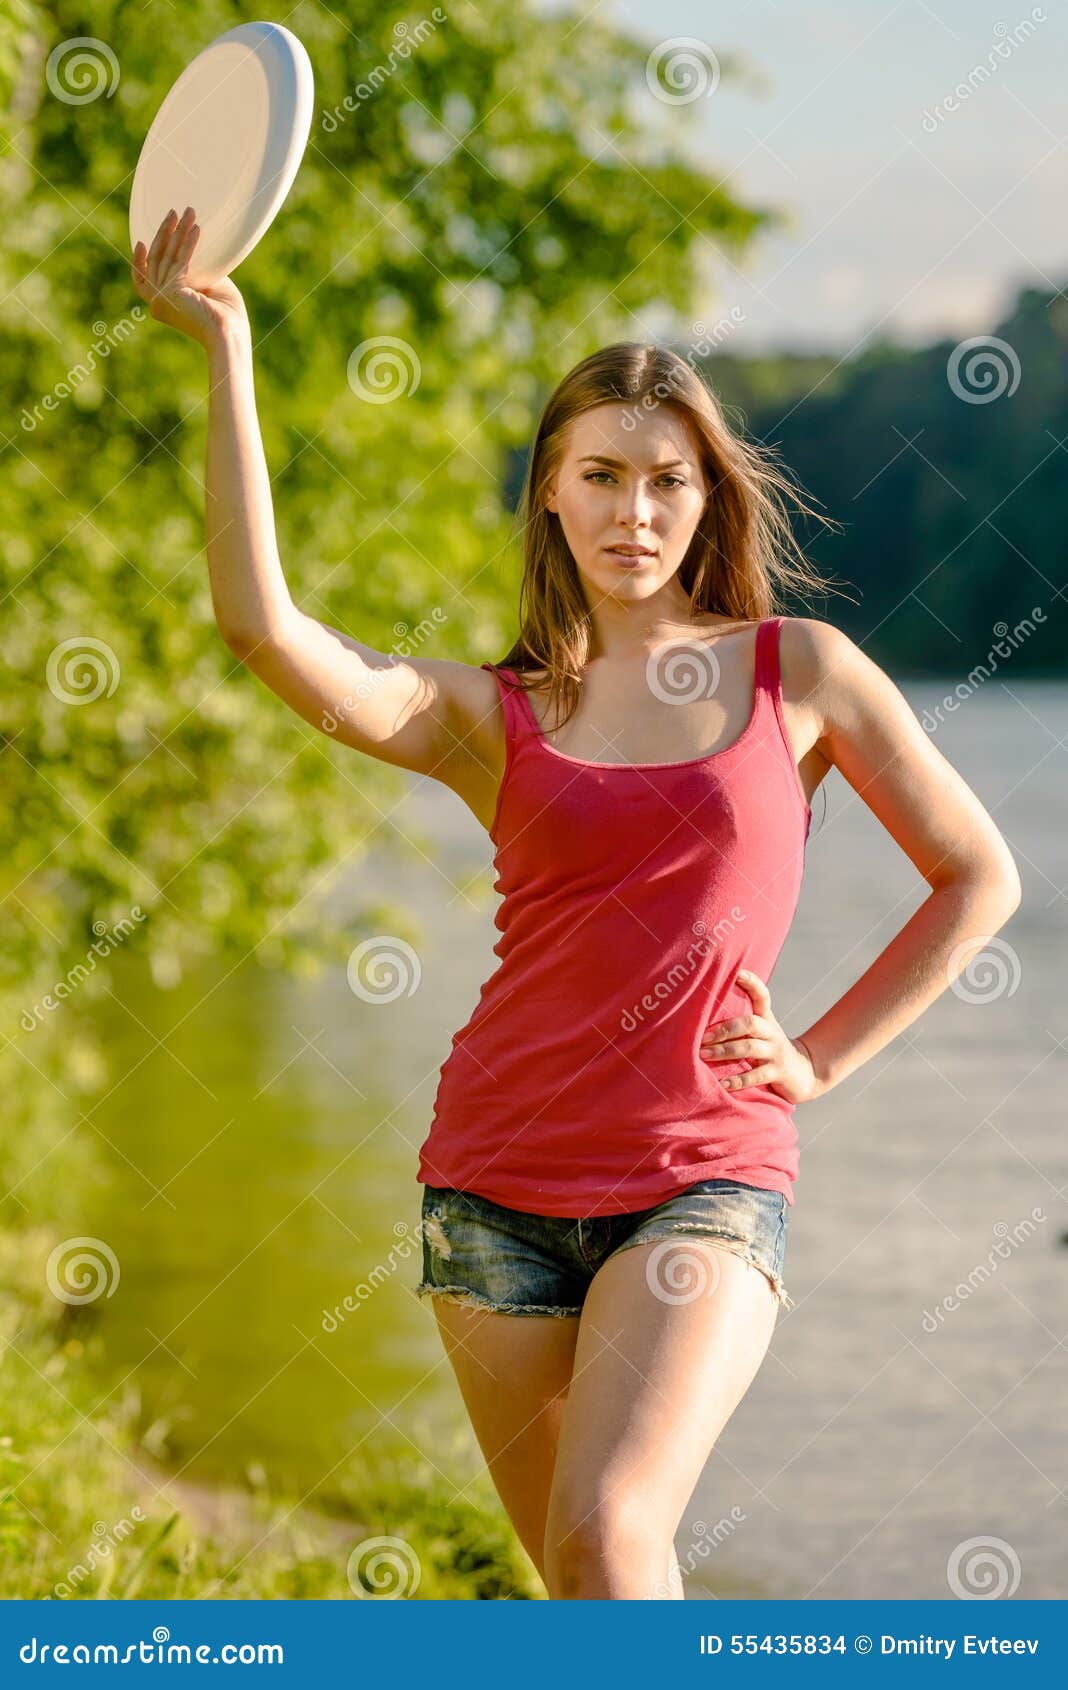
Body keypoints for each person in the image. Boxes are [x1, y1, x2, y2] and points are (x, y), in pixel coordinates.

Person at [131, 208, 1022, 1601]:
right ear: (549, 491)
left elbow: (981, 877)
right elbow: (267, 632)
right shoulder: (494, 712)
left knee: (612, 1532)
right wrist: (227, 353)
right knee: (574, 1577)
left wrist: (822, 1056)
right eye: (600, 476)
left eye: (667, 481)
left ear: (708, 496)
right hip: (491, 1185)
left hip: (706, 1172)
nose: (635, 511)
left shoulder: (803, 671)